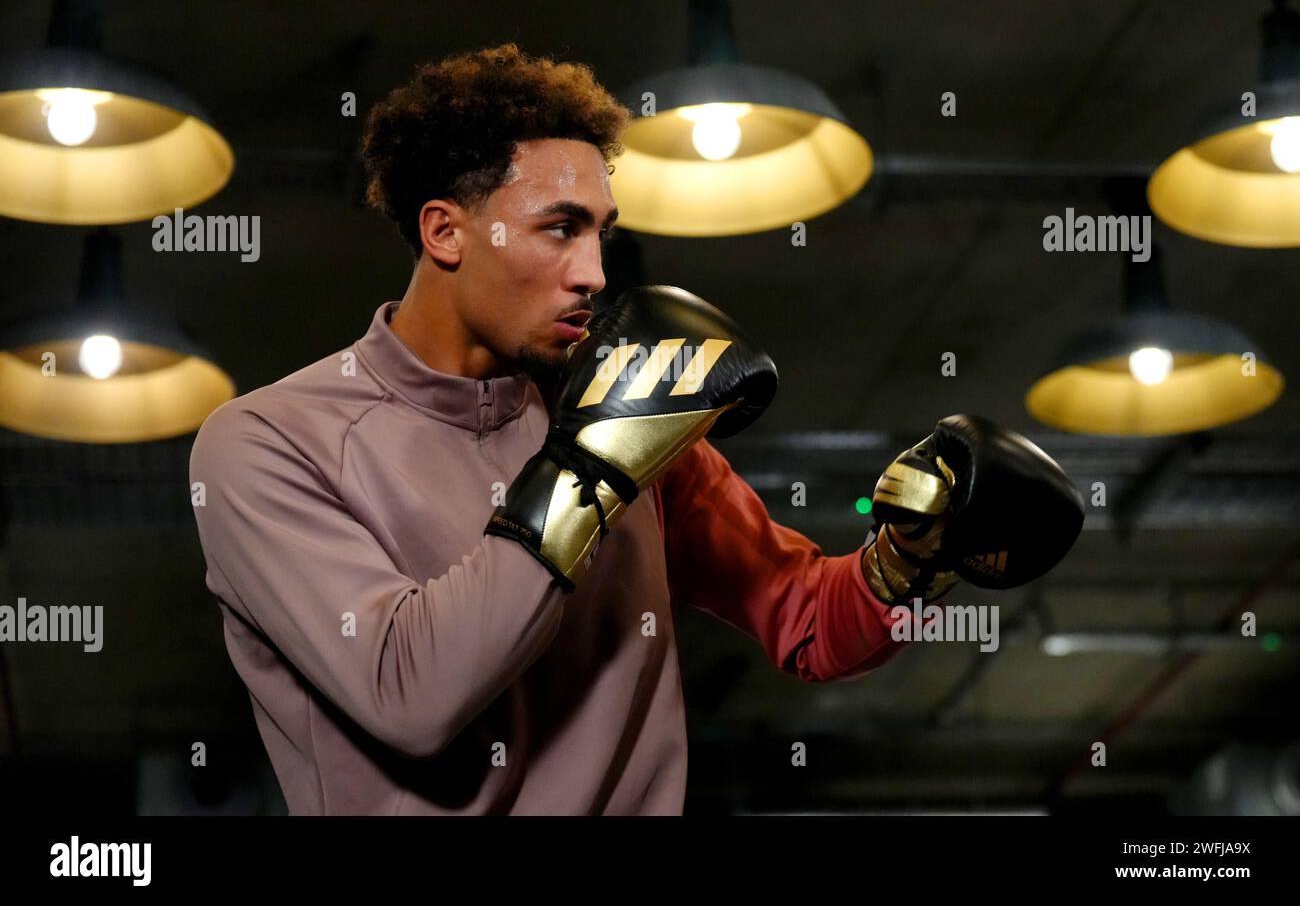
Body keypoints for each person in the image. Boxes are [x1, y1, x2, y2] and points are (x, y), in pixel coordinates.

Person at [188, 42, 1083, 815]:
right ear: (447, 232)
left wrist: (907, 559)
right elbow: (409, 692)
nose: (593, 271)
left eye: (604, 234)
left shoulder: (634, 420)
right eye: (559, 228)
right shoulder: (267, 444)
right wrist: (585, 468)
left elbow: (806, 619)